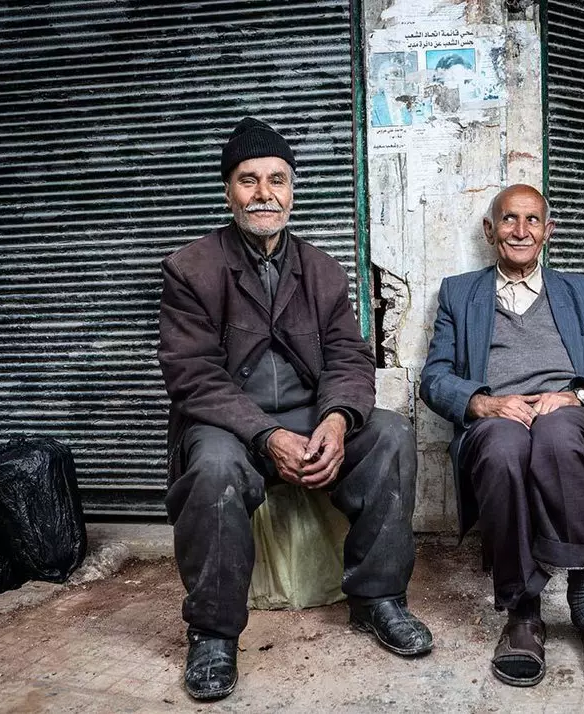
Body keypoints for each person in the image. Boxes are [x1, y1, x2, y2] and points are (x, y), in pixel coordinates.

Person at [158, 117, 433, 702]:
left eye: (277, 180)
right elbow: (192, 374)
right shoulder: (192, 268)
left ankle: (379, 599)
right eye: (249, 180)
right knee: (212, 469)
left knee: (389, 435)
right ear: (227, 190)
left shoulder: (322, 268)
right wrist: (265, 435)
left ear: (293, 189)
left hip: (311, 415)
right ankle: (212, 635)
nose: (265, 194)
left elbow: (349, 358)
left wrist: (336, 419)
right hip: (229, 426)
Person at [419, 184, 584, 689]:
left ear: (548, 231)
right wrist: (481, 401)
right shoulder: (459, 293)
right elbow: (434, 377)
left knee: (559, 435)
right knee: (501, 448)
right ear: (489, 229)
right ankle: (523, 612)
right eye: (509, 219)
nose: (520, 231)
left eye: (532, 221)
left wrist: (576, 396)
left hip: (566, 412)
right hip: (499, 415)